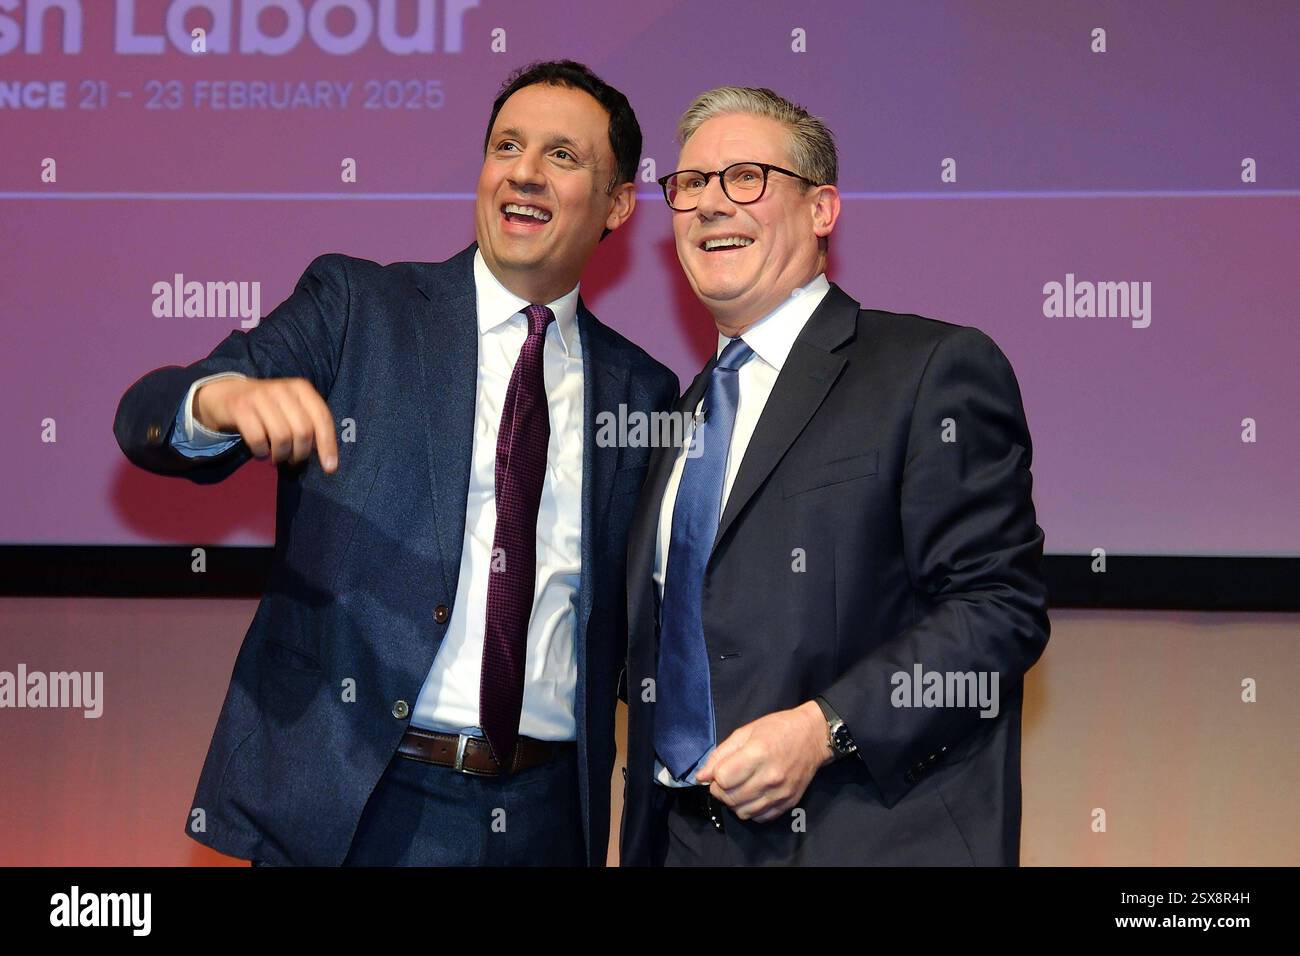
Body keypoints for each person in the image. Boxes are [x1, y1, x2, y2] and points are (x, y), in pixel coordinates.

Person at [114, 60, 677, 866]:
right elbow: (149, 415)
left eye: (561, 155)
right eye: (506, 146)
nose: (523, 171)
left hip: (548, 819)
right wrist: (221, 400)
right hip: (360, 805)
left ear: (618, 204)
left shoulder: (642, 390)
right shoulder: (358, 309)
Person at [619, 86, 1050, 865]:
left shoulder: (929, 371)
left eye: (745, 177)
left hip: (863, 839)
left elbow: (999, 610)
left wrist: (824, 728)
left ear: (821, 209)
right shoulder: (676, 420)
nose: (709, 204)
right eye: (689, 185)